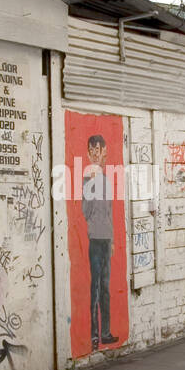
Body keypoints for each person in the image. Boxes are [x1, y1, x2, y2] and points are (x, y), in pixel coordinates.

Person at [81, 134, 118, 351]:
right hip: (95, 239)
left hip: (106, 240)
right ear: (88, 153)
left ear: (104, 151)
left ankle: (106, 333)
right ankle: (95, 336)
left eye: (98, 149)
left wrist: (112, 240)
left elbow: (110, 211)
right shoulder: (89, 177)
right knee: (95, 288)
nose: (95, 153)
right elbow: (86, 210)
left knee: (105, 288)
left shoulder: (106, 178)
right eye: (92, 150)